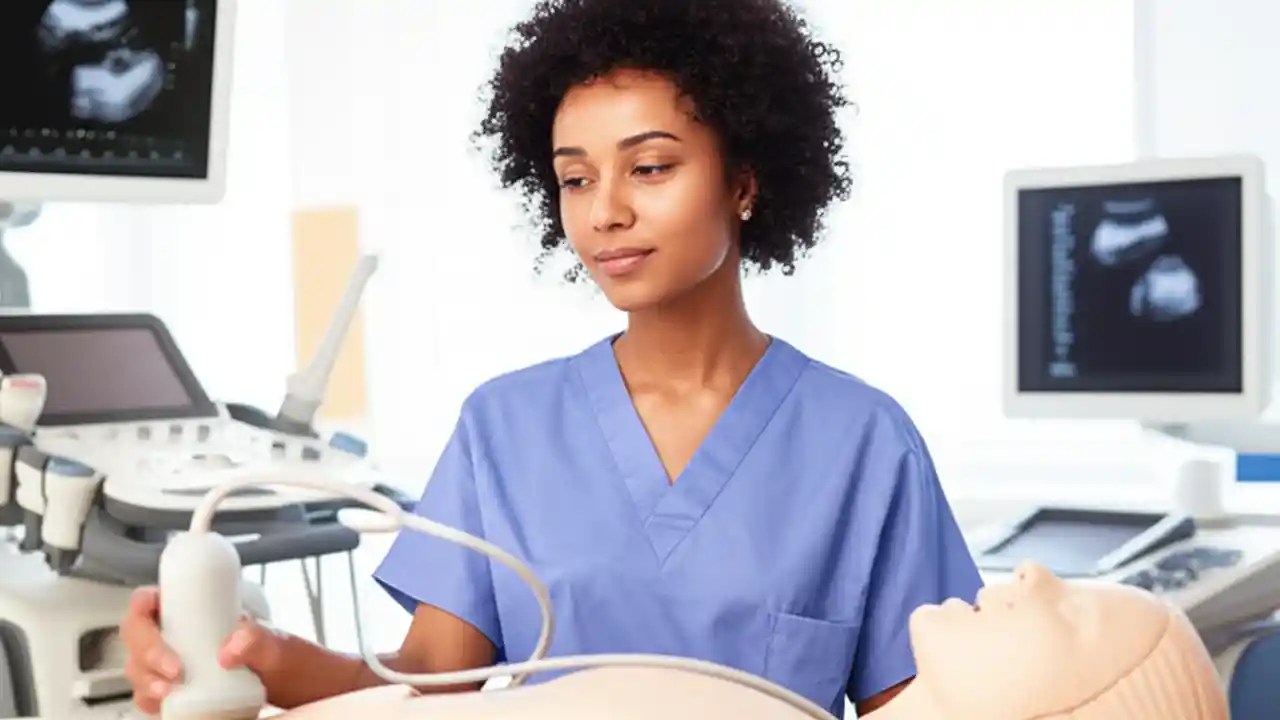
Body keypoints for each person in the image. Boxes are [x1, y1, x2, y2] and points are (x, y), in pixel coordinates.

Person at [120, 0, 983, 717]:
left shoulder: (864, 445)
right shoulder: (506, 429)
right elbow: (422, 686)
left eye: (649, 167)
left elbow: (921, 710)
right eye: (575, 179)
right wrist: (253, 655)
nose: (604, 212)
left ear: (745, 182)